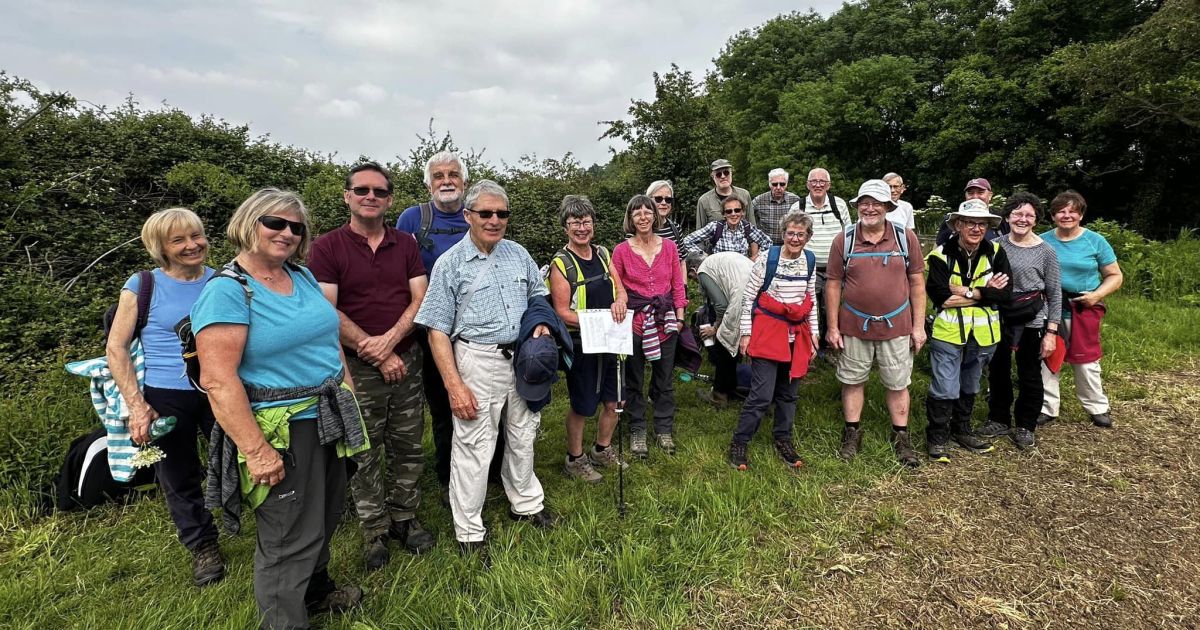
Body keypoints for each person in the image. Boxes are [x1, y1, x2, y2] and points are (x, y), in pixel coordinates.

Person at [192, 188, 365, 629]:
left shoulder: (301, 276)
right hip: (280, 427)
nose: (287, 233)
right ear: (249, 222)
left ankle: (316, 591)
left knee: (324, 516)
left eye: (296, 227)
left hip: (327, 416)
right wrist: (255, 450)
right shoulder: (228, 291)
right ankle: (284, 621)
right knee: (288, 532)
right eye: (276, 223)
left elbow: (327, 337)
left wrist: (345, 389)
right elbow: (217, 379)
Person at [413, 180, 557, 560]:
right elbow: (436, 330)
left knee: (523, 432)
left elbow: (538, 296)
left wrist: (541, 324)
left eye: (502, 213)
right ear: (468, 216)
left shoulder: (518, 254)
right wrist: (454, 385)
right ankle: (469, 529)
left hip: (523, 357)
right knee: (475, 444)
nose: (494, 220)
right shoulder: (450, 264)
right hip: (477, 359)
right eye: (486, 213)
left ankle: (525, 502)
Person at [309, 161, 432, 571]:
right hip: (354, 366)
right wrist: (373, 349)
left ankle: (404, 516)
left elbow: (420, 299)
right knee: (364, 446)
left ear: (390, 199)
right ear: (347, 196)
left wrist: (391, 345)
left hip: (407, 359)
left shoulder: (406, 244)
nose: (370, 197)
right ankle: (374, 528)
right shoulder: (327, 247)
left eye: (379, 192)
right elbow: (326, 310)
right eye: (362, 190)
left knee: (409, 442)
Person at [105, 207, 224, 587]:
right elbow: (117, 348)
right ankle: (202, 544)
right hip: (166, 395)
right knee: (178, 474)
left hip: (221, 388)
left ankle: (267, 529)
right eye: (179, 240)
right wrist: (137, 407)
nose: (192, 245)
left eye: (197, 235)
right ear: (161, 247)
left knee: (240, 460)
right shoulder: (142, 285)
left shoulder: (222, 280)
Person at [395, 151, 501, 502]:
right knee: (444, 403)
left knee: (488, 401)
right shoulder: (413, 219)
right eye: (438, 176)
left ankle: (492, 471)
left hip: (479, 330)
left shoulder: (481, 217)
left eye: (453, 174)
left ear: (465, 182)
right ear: (428, 183)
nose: (446, 181)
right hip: (432, 330)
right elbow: (399, 275)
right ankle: (447, 475)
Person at [825, 180, 926, 467]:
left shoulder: (905, 237)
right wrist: (833, 327)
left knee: (897, 382)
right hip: (854, 324)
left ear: (888, 207)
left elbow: (917, 281)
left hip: (897, 325)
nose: (870, 208)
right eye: (864, 203)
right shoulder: (843, 239)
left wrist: (918, 326)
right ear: (857, 206)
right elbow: (832, 284)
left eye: (876, 203)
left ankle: (901, 437)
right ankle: (852, 432)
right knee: (853, 379)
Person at [547, 195, 629, 482]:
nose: (582, 228)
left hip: (613, 339)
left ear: (593, 223)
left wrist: (620, 303)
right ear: (565, 227)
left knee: (615, 401)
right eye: (574, 223)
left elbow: (620, 290)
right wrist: (596, 320)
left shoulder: (604, 254)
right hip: (583, 343)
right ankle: (575, 458)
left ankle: (601, 449)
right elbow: (560, 312)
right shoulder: (561, 263)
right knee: (583, 404)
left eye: (586, 221)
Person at [727, 211, 818, 470]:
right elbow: (748, 297)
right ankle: (740, 442)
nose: (795, 238)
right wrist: (745, 333)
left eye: (801, 234)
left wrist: (814, 332)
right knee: (761, 395)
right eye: (791, 233)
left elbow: (810, 299)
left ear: (808, 237)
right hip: (768, 332)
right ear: (783, 233)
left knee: (789, 394)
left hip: (796, 335)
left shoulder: (809, 261)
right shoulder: (768, 259)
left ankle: (783, 438)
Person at [924, 199, 1012, 462]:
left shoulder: (997, 252)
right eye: (971, 222)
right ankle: (937, 435)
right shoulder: (940, 255)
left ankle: (962, 429)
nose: (976, 228)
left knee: (971, 383)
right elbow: (940, 297)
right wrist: (987, 293)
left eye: (982, 223)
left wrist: (967, 291)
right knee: (944, 386)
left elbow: (1005, 295)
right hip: (948, 332)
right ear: (958, 224)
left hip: (984, 334)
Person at [978, 192, 1062, 449]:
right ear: (1007, 217)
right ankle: (999, 418)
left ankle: (1026, 425)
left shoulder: (1046, 251)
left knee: (1030, 374)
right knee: (998, 370)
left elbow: (1055, 291)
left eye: (1029, 215)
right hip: (1000, 316)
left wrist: (1051, 331)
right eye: (1017, 214)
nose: (1022, 219)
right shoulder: (994, 246)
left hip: (1032, 319)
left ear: (1036, 220)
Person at [612, 195, 688, 458]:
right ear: (630, 219)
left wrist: (679, 318)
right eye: (637, 214)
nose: (643, 217)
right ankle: (637, 428)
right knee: (634, 380)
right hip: (634, 323)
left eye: (647, 212)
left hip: (665, 322)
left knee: (664, 379)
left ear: (655, 216)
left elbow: (678, 284)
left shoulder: (668, 247)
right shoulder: (621, 251)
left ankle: (664, 428)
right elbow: (617, 288)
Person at [1039, 191, 1122, 428]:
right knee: (1047, 355)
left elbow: (1115, 276)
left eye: (1072, 211)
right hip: (1048, 306)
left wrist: (1096, 295)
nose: (1067, 215)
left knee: (1086, 361)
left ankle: (1096, 406)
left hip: (1082, 307)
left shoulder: (1095, 241)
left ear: (1081, 214)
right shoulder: (1042, 240)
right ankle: (1047, 407)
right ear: (1053, 216)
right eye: (1061, 211)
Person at [788, 167, 851, 350]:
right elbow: (791, 236)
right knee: (809, 309)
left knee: (831, 309)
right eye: (814, 181)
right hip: (808, 269)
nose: (818, 185)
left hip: (836, 270)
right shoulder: (798, 207)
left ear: (828, 185)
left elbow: (849, 233)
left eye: (822, 181)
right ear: (807, 184)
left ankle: (831, 346)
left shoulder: (838, 205)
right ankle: (809, 348)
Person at [694, 251, 754, 409]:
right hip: (757, 294)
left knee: (724, 342)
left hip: (742, 297)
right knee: (736, 344)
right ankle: (732, 387)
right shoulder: (719, 259)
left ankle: (719, 395)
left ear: (693, 270)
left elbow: (721, 304)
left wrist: (715, 328)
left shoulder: (703, 270)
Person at [681, 196, 771, 260]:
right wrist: (705, 257)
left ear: (742, 212)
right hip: (719, 273)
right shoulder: (715, 227)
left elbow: (767, 242)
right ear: (724, 214)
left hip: (741, 273)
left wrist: (754, 259)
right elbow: (687, 241)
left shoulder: (747, 227)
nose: (733, 214)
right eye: (728, 211)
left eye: (737, 210)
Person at [935, 178, 1007, 245]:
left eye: (980, 192)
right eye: (971, 193)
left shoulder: (1001, 219)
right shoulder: (952, 219)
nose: (975, 197)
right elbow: (939, 247)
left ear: (990, 195)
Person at [645, 179, 688, 280]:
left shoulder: (676, 229)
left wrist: (684, 287)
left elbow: (682, 262)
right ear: (648, 201)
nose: (664, 203)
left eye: (668, 199)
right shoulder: (638, 230)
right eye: (658, 199)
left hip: (674, 291)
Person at [696, 158, 755, 228]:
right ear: (713, 177)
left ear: (731, 174)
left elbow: (752, 226)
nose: (723, 176)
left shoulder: (745, 195)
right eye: (718, 174)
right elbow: (699, 231)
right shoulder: (704, 201)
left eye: (726, 172)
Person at [751, 168, 802, 244]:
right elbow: (748, 217)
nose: (778, 188)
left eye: (782, 184)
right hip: (765, 244)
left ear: (786, 184)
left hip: (789, 244)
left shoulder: (795, 200)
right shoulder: (759, 201)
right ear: (769, 184)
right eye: (774, 184)